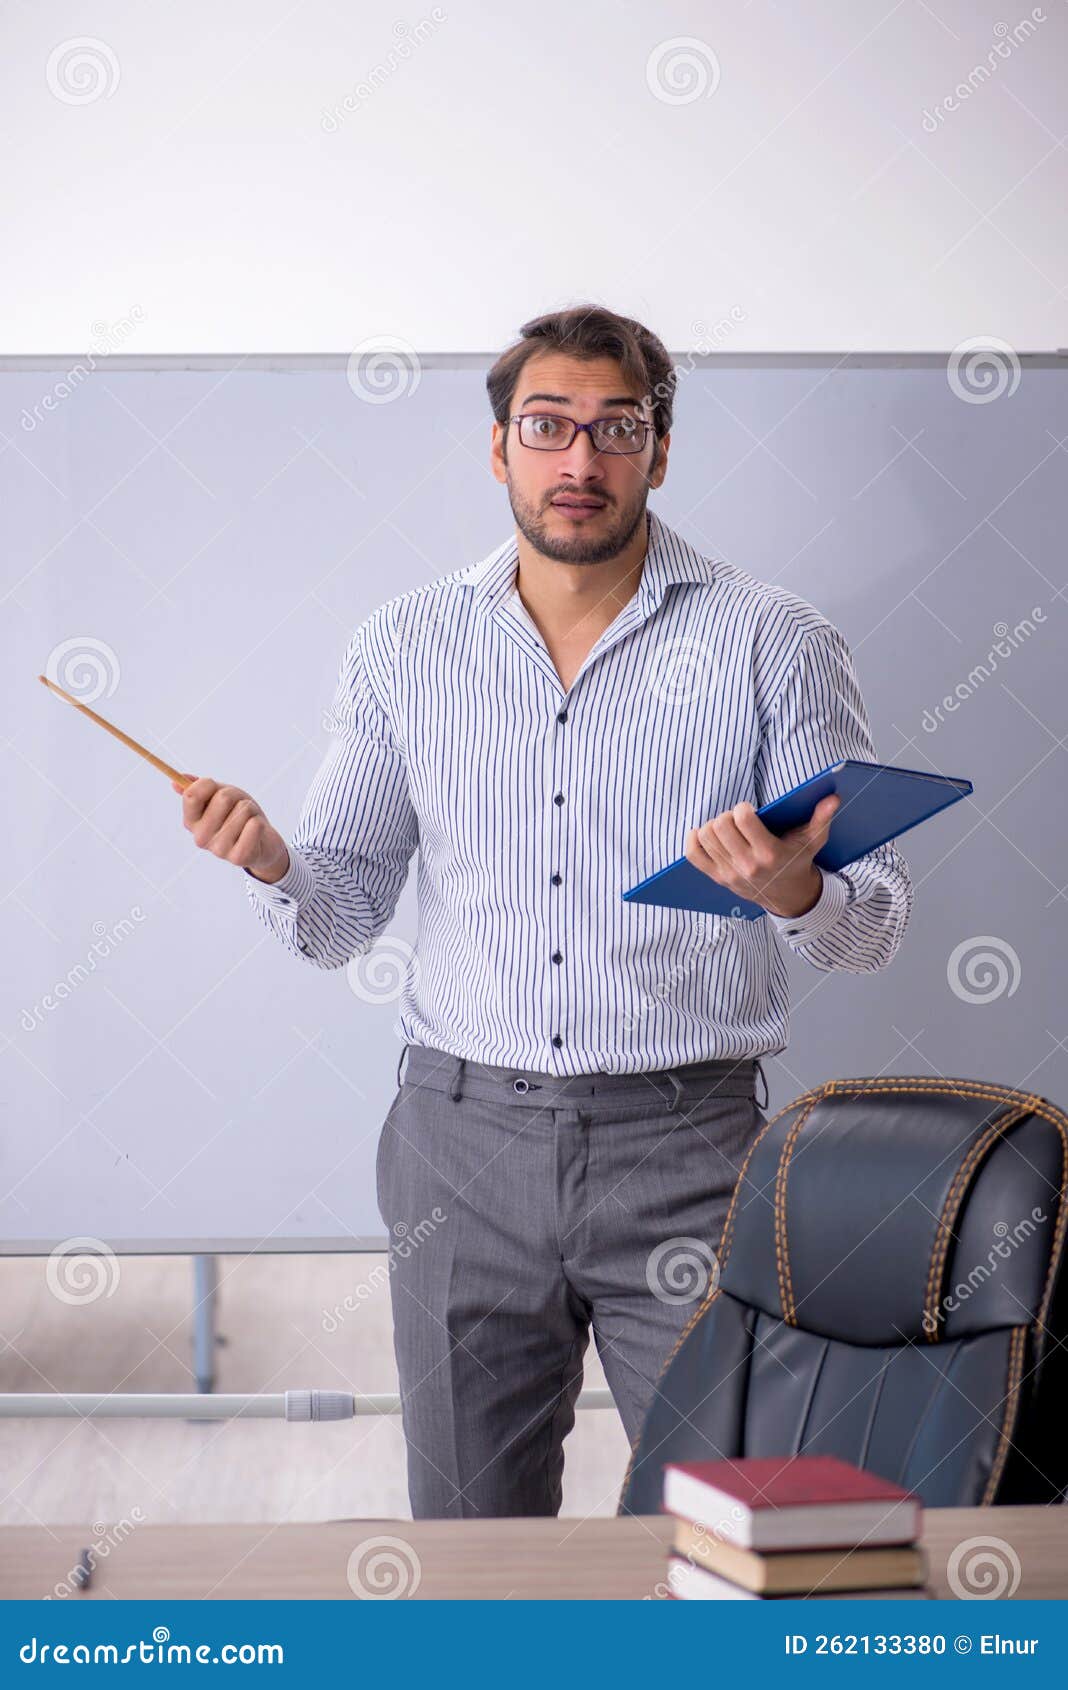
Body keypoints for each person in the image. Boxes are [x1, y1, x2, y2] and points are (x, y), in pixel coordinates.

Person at [175, 304, 913, 1519]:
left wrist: (793, 886)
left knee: (714, 1534)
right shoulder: (406, 646)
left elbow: (874, 922)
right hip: (458, 1152)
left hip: (691, 1148)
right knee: (471, 1536)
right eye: (547, 426)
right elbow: (342, 912)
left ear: (660, 451)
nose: (580, 460)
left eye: (615, 428)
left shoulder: (773, 640)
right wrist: (272, 866)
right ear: (500, 448)